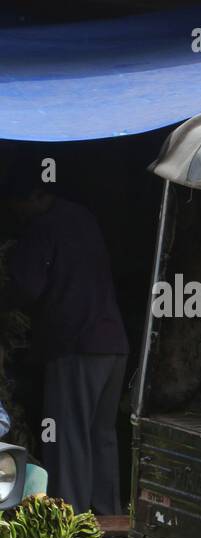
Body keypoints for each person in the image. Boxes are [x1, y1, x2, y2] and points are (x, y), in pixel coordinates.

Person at [3, 174, 128, 515]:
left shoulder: (43, 226)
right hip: (113, 345)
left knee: (68, 437)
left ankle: (70, 519)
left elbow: (27, 287)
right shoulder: (82, 217)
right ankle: (109, 516)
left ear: (30, 198)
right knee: (101, 435)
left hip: (77, 345)